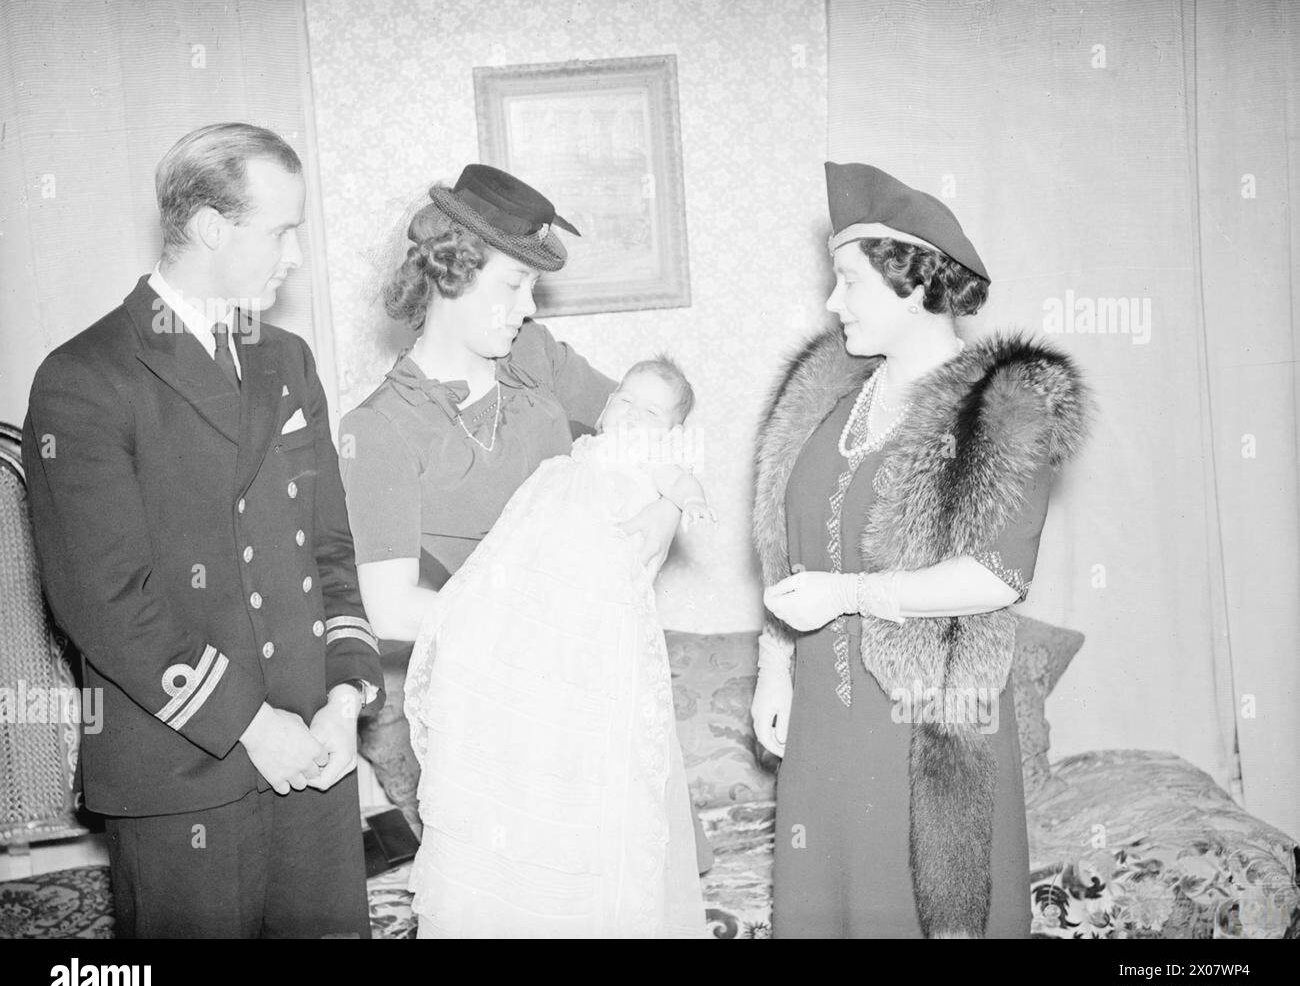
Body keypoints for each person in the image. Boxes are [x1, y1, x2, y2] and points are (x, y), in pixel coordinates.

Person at [21, 123, 383, 938]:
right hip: (189, 768)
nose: (295, 255)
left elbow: (330, 551)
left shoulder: (285, 359)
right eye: (281, 230)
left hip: (315, 756)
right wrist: (255, 726)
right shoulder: (87, 377)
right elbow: (106, 601)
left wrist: (343, 700)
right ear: (213, 229)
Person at [751, 162, 1091, 938]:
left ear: (911, 283)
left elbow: (998, 576)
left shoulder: (1004, 409)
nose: (832, 302)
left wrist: (849, 594)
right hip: (823, 728)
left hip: (926, 723)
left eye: (849, 281)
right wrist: (774, 659)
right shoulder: (828, 402)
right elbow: (790, 543)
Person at [337, 166, 708, 870]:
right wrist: (538, 622)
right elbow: (388, 607)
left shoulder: (532, 356)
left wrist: (663, 513)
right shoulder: (377, 429)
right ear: (450, 272)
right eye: (514, 284)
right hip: (497, 708)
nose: (529, 306)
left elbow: (665, 434)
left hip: (599, 688)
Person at [405, 355, 712, 938]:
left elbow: (681, 479)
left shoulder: (652, 464)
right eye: (625, 399)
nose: (630, 414)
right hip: (535, 617)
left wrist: (685, 500)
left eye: (650, 412)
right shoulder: (571, 460)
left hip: (592, 633)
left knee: (585, 766)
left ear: (669, 432)